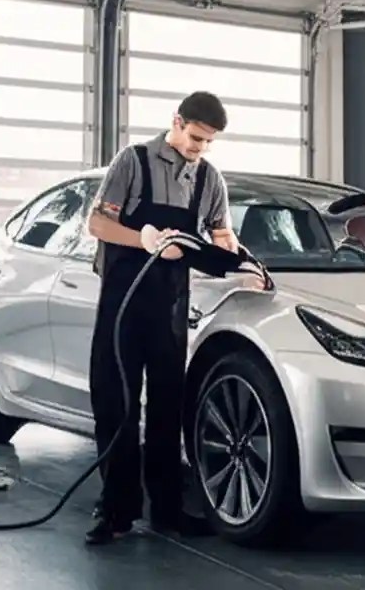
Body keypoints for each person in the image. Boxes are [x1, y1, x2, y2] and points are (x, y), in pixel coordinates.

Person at [83, 91, 238, 544]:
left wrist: (232, 251)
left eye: (208, 142)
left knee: (169, 408)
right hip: (123, 308)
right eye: (195, 138)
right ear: (177, 122)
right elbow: (97, 223)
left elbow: (221, 230)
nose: (199, 149)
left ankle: (168, 510)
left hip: (170, 307)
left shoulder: (208, 178)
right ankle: (116, 511)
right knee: (117, 408)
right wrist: (144, 238)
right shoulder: (132, 162)